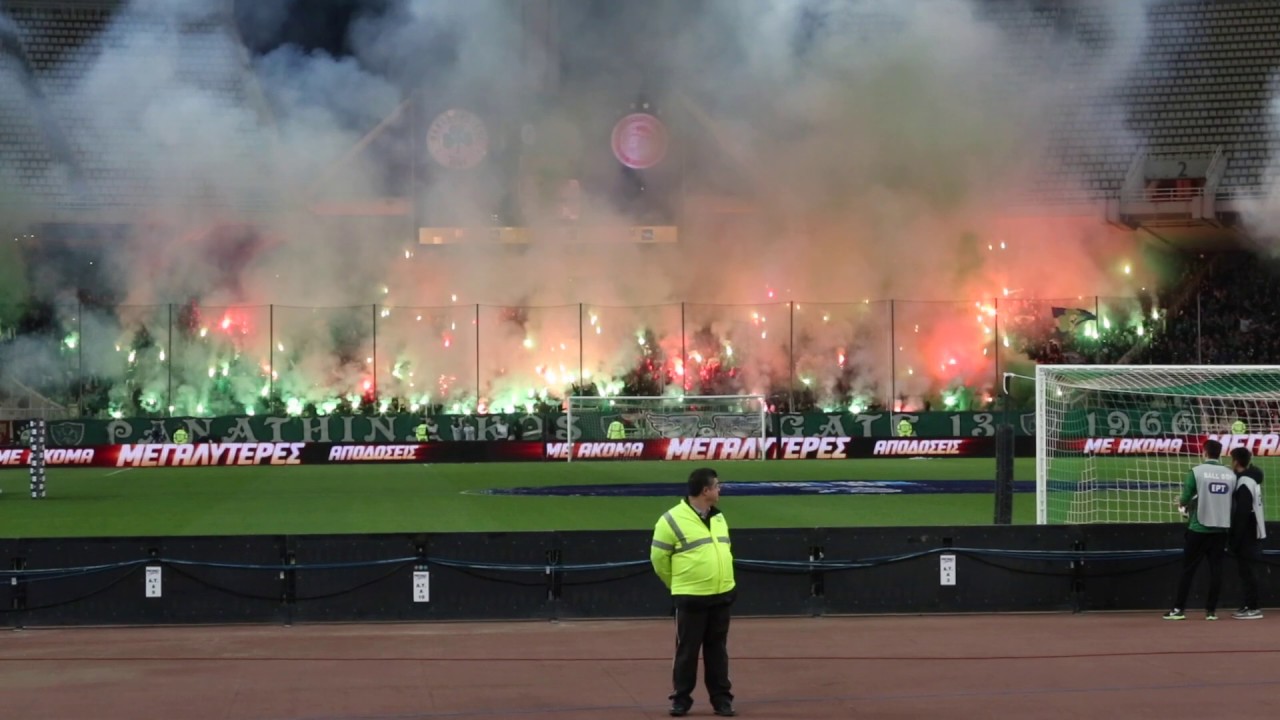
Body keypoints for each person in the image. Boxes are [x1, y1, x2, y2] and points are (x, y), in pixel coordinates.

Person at [650, 468, 737, 717]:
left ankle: (722, 699)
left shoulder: (719, 518)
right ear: (705, 490)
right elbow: (658, 559)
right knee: (687, 651)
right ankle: (681, 699)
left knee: (717, 651)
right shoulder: (670, 519)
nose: (720, 490)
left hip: (721, 595)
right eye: (717, 486)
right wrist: (677, 584)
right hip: (691, 597)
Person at [1164, 439, 1237, 621]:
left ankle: (1179, 609)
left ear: (1204, 452)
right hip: (1221, 528)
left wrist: (1181, 504)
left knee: (1188, 570)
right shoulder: (1231, 474)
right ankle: (1211, 611)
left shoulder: (1196, 472)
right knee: (1216, 570)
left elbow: (1185, 498)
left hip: (1199, 527)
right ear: (1220, 453)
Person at [1228, 447, 1266, 619]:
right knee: (1246, 571)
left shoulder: (1243, 482)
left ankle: (1253, 607)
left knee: (1248, 571)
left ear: (1236, 461)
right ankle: (1248, 605)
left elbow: (1242, 512)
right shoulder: (1251, 479)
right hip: (1254, 529)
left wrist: (1235, 538)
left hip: (1247, 532)